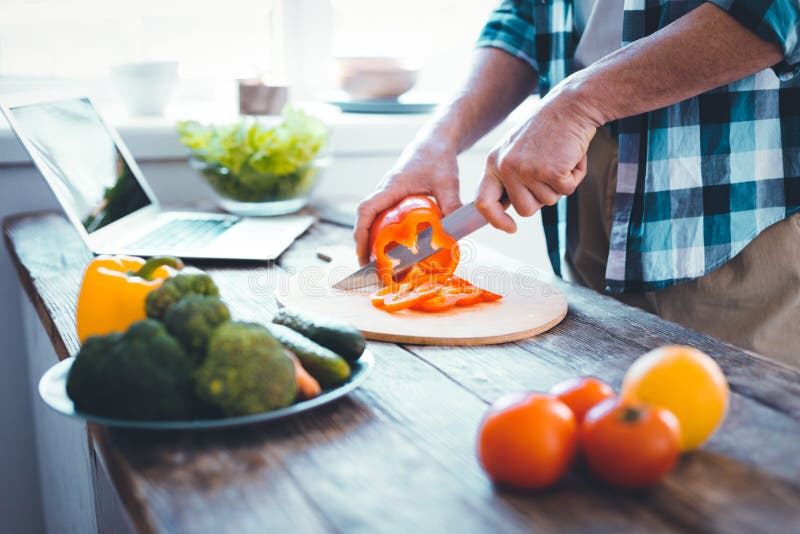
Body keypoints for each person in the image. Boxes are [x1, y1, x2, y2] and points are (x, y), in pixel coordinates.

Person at [353, 0, 800, 366]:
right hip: (586, 165)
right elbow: (528, 14)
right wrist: (438, 139)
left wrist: (575, 105)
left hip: (733, 193)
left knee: (738, 440)